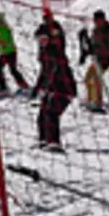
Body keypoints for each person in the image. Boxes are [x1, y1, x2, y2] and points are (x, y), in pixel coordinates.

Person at [30, 16, 76, 151]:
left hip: (65, 88)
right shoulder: (44, 54)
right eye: (40, 40)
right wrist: (37, 88)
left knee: (51, 113)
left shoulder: (56, 52)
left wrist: (51, 24)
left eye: (44, 39)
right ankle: (43, 140)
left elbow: (59, 38)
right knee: (42, 115)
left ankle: (54, 142)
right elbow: (44, 72)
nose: (42, 42)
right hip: (52, 88)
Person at [78, 10, 109, 113]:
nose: (96, 22)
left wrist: (96, 50)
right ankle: (90, 99)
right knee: (88, 78)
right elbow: (94, 44)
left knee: (96, 79)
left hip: (105, 60)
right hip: (97, 59)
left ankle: (97, 102)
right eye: (95, 20)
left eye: (98, 20)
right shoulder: (96, 30)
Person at [0, 13, 30, 94]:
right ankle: (5, 87)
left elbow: (5, 42)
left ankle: (22, 86)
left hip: (9, 53)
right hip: (6, 53)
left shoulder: (4, 30)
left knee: (10, 69)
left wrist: (3, 48)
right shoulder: (0, 30)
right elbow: (1, 44)